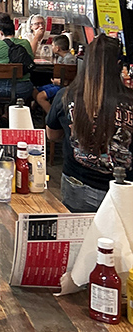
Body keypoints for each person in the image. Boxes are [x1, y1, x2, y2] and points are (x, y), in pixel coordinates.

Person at [46, 34, 133, 212]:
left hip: (76, 184)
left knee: (78, 237)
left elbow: (52, 135)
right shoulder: (130, 101)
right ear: (119, 67)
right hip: (123, 191)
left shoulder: (66, 95)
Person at [0, 14, 34, 102]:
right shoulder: (25, 43)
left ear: (1, 33)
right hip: (22, 88)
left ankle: (2, 112)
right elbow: (31, 60)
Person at [34, 34, 77, 115]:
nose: (52, 47)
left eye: (53, 45)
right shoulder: (61, 57)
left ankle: (52, 116)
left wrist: (57, 81)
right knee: (34, 91)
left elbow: (67, 82)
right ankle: (39, 113)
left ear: (57, 48)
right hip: (57, 84)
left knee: (40, 97)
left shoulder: (69, 59)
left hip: (63, 87)